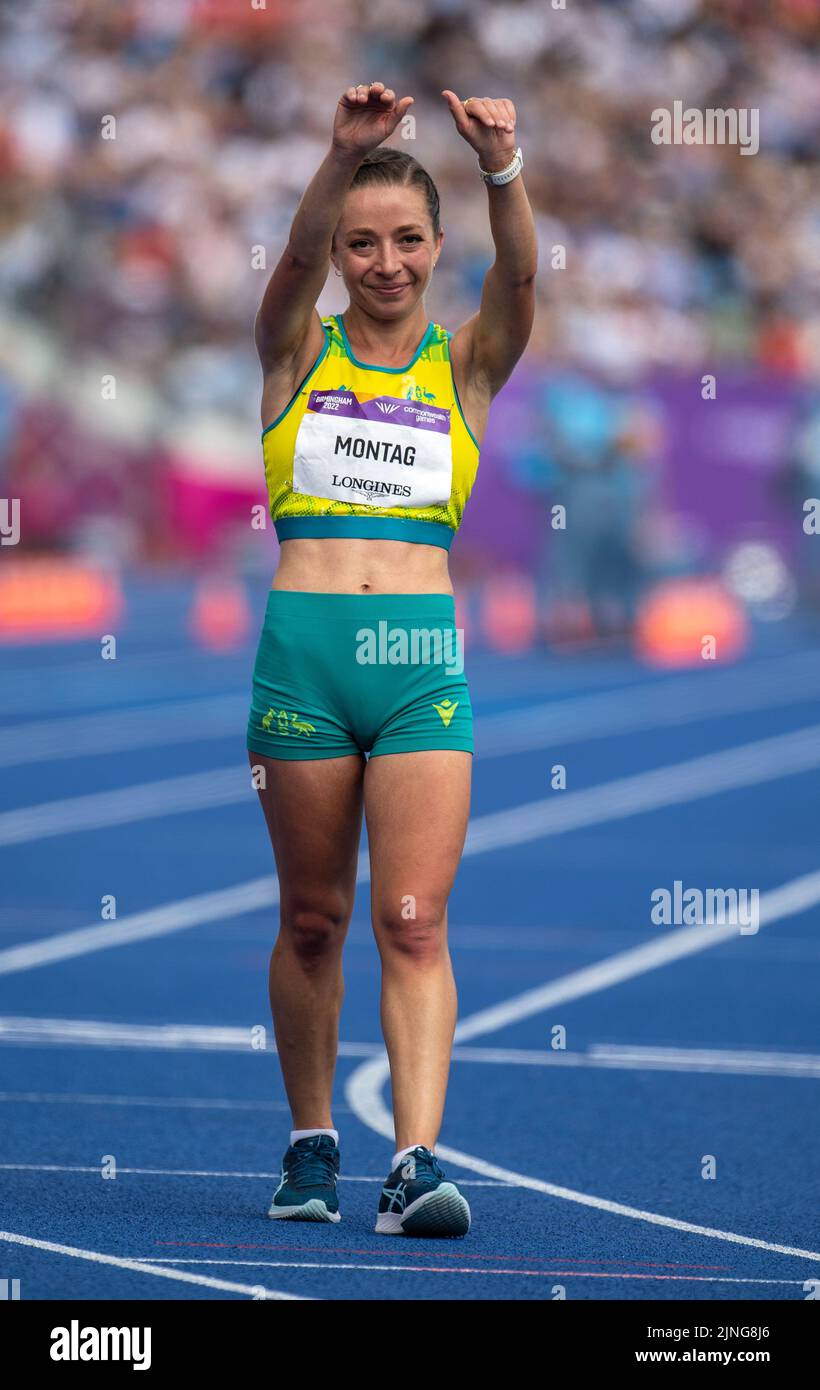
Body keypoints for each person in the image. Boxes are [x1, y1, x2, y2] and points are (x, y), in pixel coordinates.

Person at [246, 80, 536, 1237]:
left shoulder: (465, 367)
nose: (381, 262)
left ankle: (414, 1158)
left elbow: (520, 281)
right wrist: (337, 158)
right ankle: (313, 1141)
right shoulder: (288, 353)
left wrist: (503, 168)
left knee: (413, 921)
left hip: (418, 662)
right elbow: (291, 264)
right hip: (303, 662)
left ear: (434, 247)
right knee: (312, 917)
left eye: (406, 241)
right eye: (361, 243)